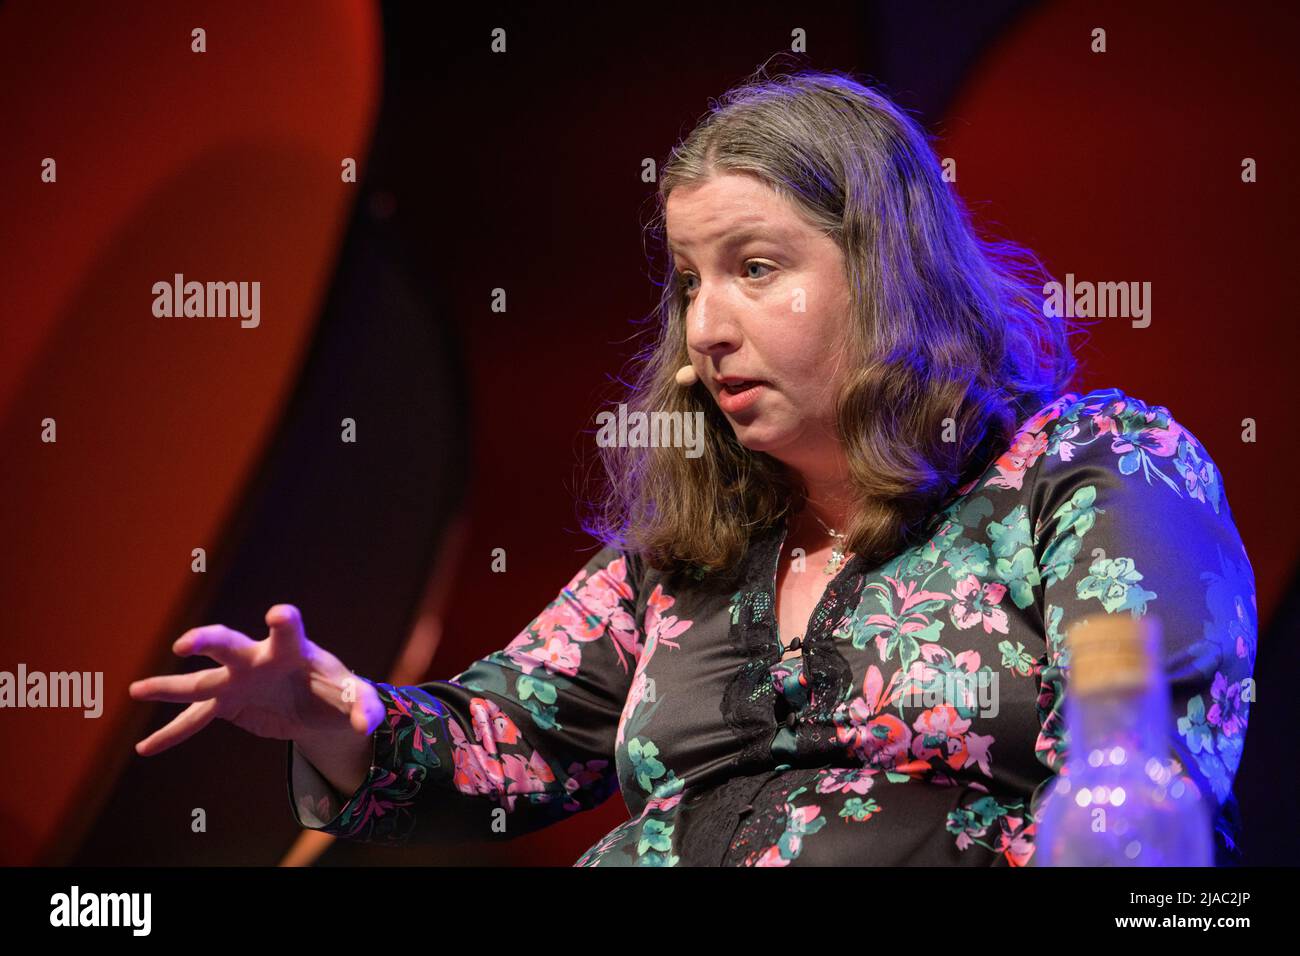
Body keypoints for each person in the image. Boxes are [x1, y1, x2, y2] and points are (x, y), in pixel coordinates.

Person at [129, 68, 1257, 866]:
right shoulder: (681, 562)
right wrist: (341, 710)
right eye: (688, 281)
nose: (705, 325)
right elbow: (496, 747)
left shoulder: (1081, 468)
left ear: (887, 271)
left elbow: (1137, 786)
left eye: (755, 266)